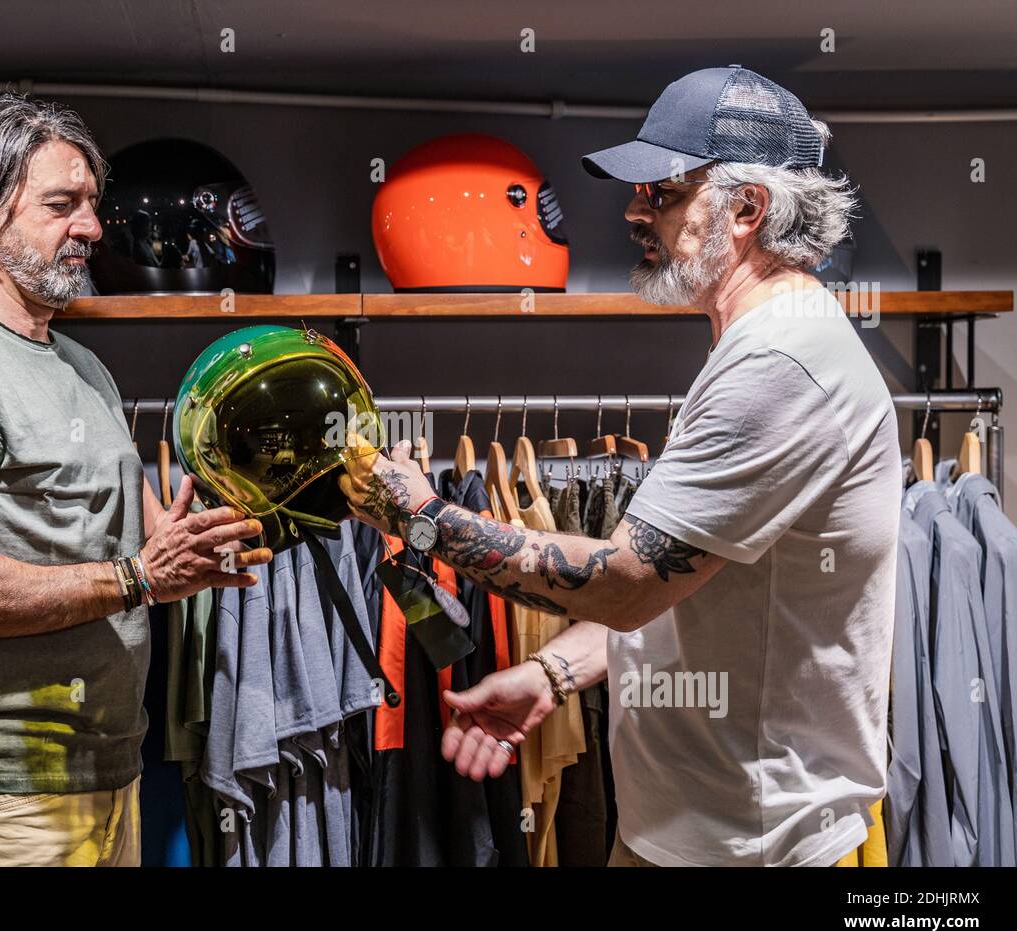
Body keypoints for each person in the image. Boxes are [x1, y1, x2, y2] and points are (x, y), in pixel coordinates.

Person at [341, 66, 900, 867]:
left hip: (755, 847)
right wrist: (554, 671)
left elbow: (632, 580)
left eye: (664, 192)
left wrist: (419, 516)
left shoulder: (781, 363)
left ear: (748, 209)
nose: (636, 210)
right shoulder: (764, 343)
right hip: (698, 830)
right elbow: (693, 587)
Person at [0, 93, 271, 866]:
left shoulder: (82, 366)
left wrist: (228, 535)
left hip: (107, 777)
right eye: (61, 204)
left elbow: (151, 538)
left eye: (90, 204)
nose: (91, 227)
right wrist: (140, 577)